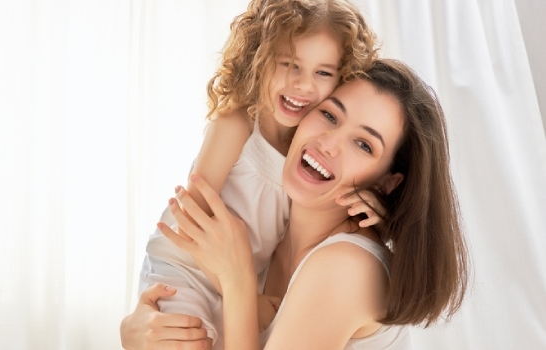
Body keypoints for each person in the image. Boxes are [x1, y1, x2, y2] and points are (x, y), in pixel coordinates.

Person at [125, 59, 469, 349]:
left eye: (363, 145)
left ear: (387, 182)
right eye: (330, 116)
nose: (329, 143)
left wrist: (238, 281)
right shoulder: (268, 231)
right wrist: (135, 332)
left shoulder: (348, 266)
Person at [141, 0, 378, 348]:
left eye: (323, 73)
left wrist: (380, 214)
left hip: (231, 282)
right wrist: (242, 291)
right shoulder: (236, 126)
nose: (303, 85)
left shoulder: (309, 153)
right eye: (289, 64)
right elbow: (190, 221)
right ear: (259, 58)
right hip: (184, 271)